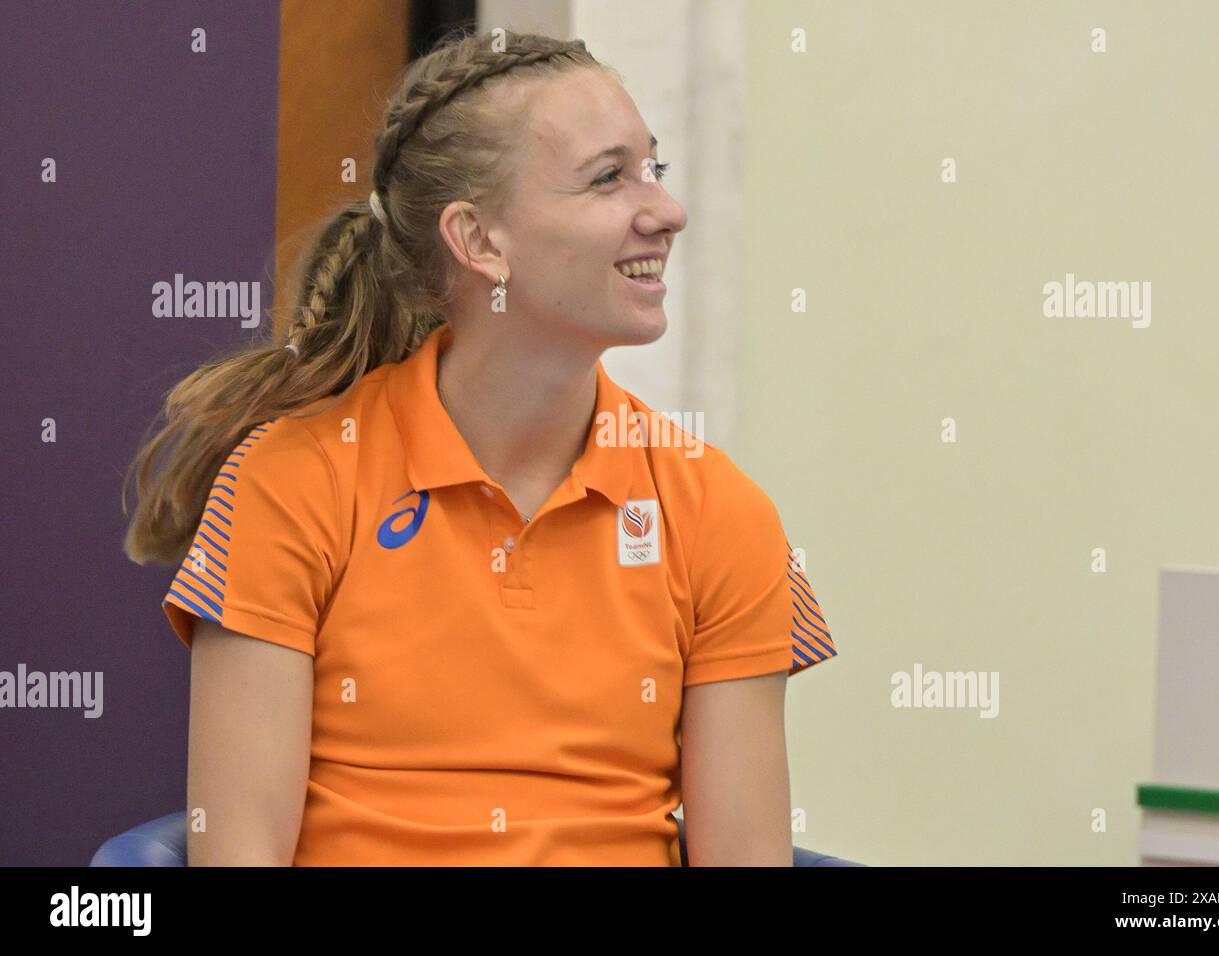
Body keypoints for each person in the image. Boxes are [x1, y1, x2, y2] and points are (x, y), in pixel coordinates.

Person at [122, 28, 837, 867]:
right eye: (609, 178)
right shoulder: (290, 480)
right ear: (480, 241)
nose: (666, 211)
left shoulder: (720, 511)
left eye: (656, 168)